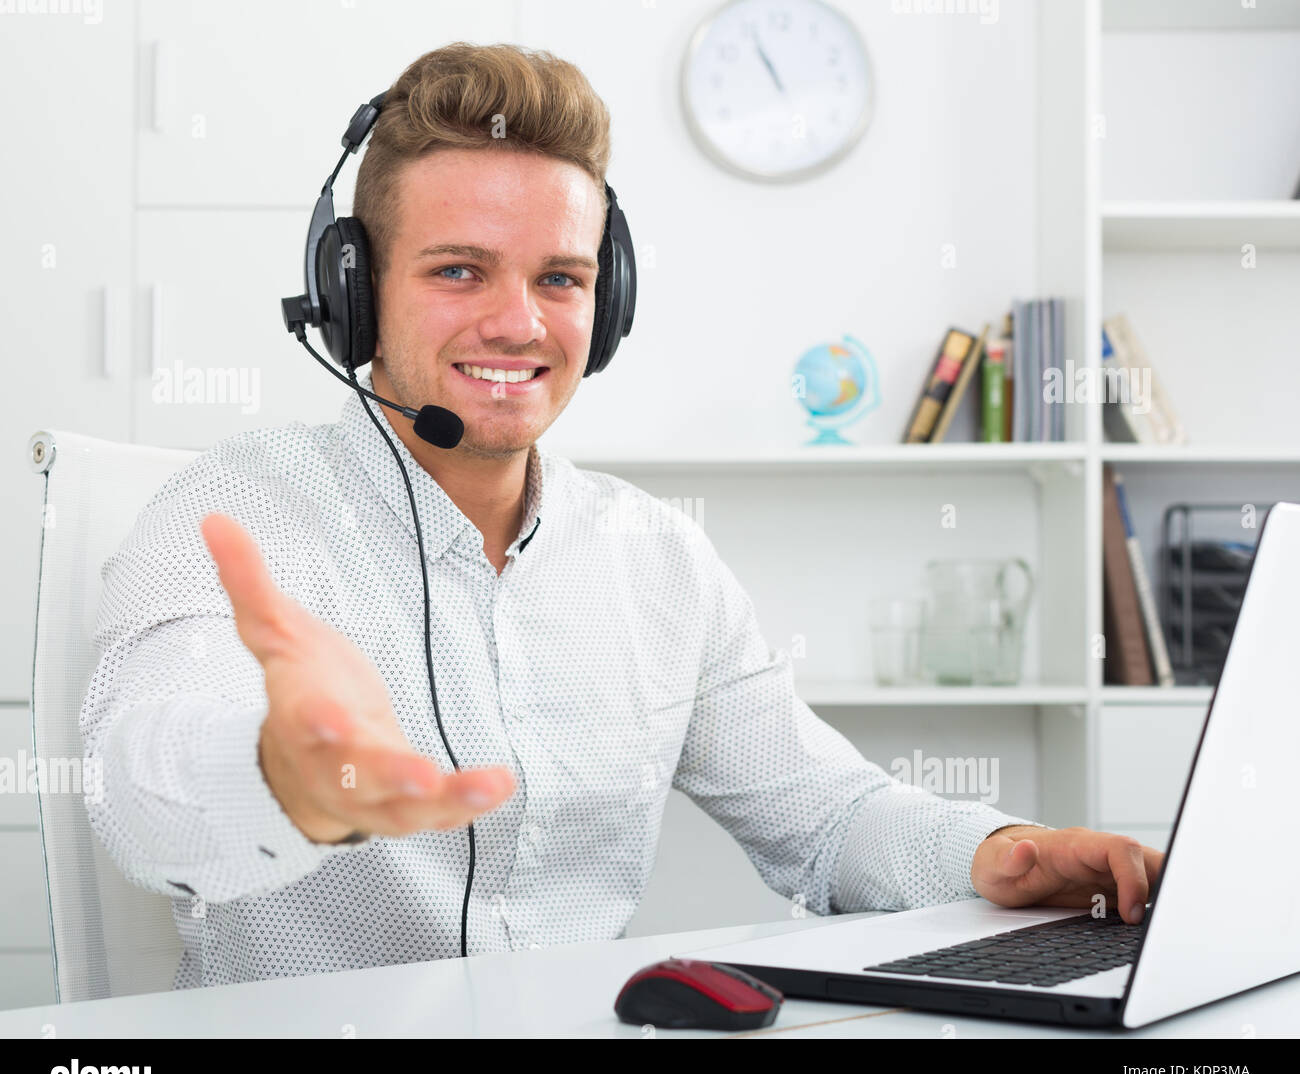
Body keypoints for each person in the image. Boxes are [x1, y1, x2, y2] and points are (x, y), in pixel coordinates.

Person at [80, 42, 1162, 992]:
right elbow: (139, 789)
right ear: (353, 292)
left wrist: (1002, 852)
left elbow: (824, 814)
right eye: (458, 270)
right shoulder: (232, 513)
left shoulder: (656, 555)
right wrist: (280, 773)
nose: (517, 324)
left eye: (559, 278)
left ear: (609, 307)